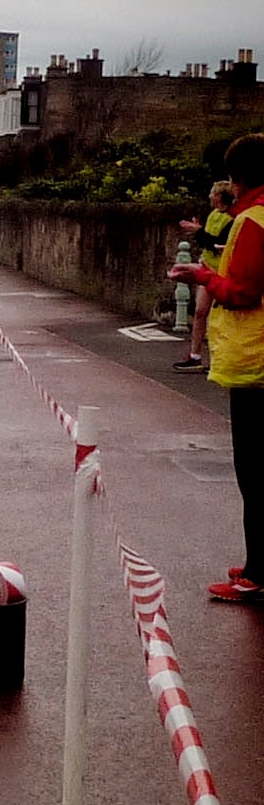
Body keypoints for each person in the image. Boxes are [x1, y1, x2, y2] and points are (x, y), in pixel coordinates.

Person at [168, 134, 264, 602]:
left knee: (255, 471)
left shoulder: (252, 221)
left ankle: (258, 575)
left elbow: (243, 292)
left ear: (238, 177)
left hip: (256, 361)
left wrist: (203, 276)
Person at [174, 182, 236, 372]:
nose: (210, 196)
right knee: (201, 312)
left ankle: (218, 358)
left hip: (222, 274)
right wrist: (199, 232)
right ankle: (195, 355)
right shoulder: (213, 215)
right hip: (207, 271)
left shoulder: (233, 218)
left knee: (220, 319)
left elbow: (217, 244)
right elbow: (207, 242)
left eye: (212, 193)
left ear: (220, 196)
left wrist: (197, 231)